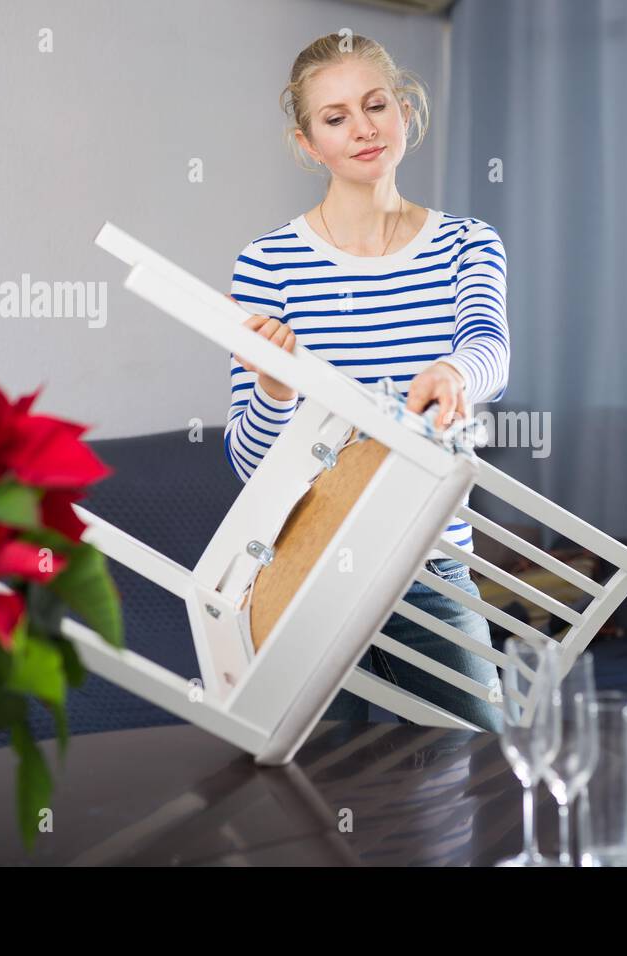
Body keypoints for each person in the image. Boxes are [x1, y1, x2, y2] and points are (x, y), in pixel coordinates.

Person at [224, 33, 507, 732]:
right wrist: (274, 392)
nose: (363, 128)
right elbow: (246, 463)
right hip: (303, 579)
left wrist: (455, 372)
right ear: (306, 143)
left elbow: (489, 349)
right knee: (325, 808)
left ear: (405, 111)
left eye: (376, 105)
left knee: (484, 778)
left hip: (431, 561)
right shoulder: (267, 263)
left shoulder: (467, 243)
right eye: (335, 117)